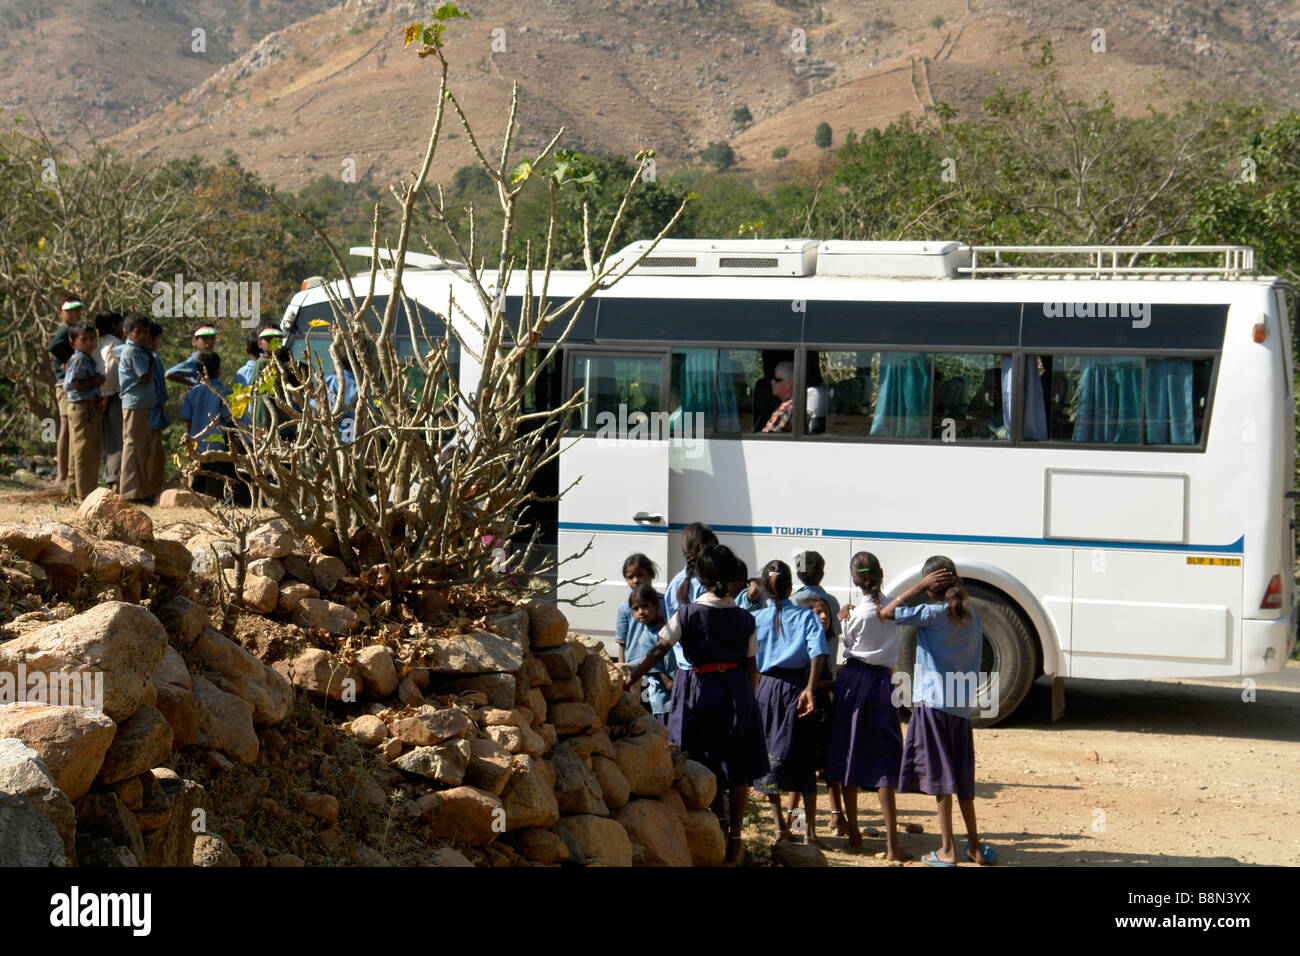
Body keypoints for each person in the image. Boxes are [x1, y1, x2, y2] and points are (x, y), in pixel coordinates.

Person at [622, 544, 768, 865]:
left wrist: (632, 677)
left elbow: (660, 650)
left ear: (699, 577)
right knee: (739, 765)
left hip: (700, 692)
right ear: (733, 579)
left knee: (704, 761)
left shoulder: (686, 613)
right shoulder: (745, 618)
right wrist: (746, 697)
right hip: (737, 692)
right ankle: (735, 839)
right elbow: (751, 665)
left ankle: (714, 826)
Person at [878, 555, 995, 866]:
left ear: (932, 587)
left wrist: (917, 585)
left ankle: (948, 850)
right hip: (961, 707)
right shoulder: (972, 615)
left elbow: (886, 613)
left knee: (942, 781)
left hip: (933, 705)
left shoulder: (933, 614)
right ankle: (975, 848)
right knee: (963, 780)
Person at [829, 552, 907, 858]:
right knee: (884, 758)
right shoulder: (895, 611)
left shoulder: (854, 616)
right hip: (884, 685)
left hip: (853, 681)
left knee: (850, 757)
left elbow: (848, 644)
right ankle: (892, 844)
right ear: (881, 574)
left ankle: (855, 837)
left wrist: (841, 621)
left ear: (854, 580)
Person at [751, 559, 830, 845]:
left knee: (770, 756)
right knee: (803, 760)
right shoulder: (806, 616)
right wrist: (810, 688)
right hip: (797, 689)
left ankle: (780, 828)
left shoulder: (755, 619)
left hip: (767, 689)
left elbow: (749, 660)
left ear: (763, 586)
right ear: (791, 586)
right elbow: (818, 652)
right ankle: (808, 833)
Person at [664, 522, 718, 746]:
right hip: (714, 675)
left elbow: (669, 635)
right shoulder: (713, 584)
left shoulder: (677, 584)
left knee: (685, 743)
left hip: (685, 676)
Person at [180, 352, 235, 500]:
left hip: (197, 445)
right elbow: (226, 416)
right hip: (217, 444)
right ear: (218, 370)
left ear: (198, 372)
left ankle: (196, 503)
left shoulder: (192, 393)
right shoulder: (222, 392)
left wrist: (190, 442)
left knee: (198, 477)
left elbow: (188, 420)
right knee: (215, 477)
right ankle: (213, 503)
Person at [116, 312, 157, 503]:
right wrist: (152, 361)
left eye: (145, 332)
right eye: (138, 332)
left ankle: (140, 490)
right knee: (132, 446)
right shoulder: (132, 352)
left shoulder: (138, 351)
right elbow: (145, 377)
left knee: (141, 447)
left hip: (141, 403)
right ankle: (130, 492)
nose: (142, 336)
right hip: (134, 403)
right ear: (127, 333)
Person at [47, 291, 86, 489]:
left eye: (78, 310)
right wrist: (68, 361)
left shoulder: (74, 331)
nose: (75, 314)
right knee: (65, 426)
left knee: (70, 427)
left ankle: (68, 474)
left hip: (69, 382)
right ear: (59, 313)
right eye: (69, 311)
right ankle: (61, 475)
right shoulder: (64, 331)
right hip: (64, 383)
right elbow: (53, 346)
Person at [63, 323, 104, 500]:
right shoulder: (79, 359)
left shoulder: (87, 358)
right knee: (84, 453)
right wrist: (93, 382)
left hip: (87, 406)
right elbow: (69, 385)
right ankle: (85, 495)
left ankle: (72, 493)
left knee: (78, 451)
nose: (89, 343)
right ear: (73, 343)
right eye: (84, 340)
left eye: (92, 338)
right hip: (81, 407)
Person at [623, 583, 675, 722]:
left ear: (656, 605)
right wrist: (673, 686)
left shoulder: (669, 628)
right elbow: (657, 674)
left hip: (677, 697)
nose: (641, 611)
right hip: (665, 701)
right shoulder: (646, 638)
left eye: (645, 606)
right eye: (636, 609)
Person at [94, 311, 125, 492]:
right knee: (117, 440)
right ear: (115, 325)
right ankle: (115, 483)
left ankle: (111, 480)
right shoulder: (115, 345)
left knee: (109, 441)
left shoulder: (100, 346)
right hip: (113, 398)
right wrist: (107, 396)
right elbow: (111, 374)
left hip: (104, 397)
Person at [790, 550, 842, 647]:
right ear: (822, 574)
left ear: (798, 575)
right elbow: (835, 634)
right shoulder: (833, 601)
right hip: (828, 661)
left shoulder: (793, 601)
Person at [614, 553, 659, 658]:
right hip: (633, 666)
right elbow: (622, 642)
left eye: (640, 575)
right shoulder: (625, 608)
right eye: (630, 577)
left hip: (657, 665)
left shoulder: (664, 602)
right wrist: (622, 668)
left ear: (651, 574)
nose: (636, 580)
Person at [146, 322, 169, 500]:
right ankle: (152, 490)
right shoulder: (153, 359)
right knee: (154, 454)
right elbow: (161, 389)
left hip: (143, 412)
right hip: (153, 412)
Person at [760, 361, 795, 433]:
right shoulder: (795, 404)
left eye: (776, 379)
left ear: (788, 383)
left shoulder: (785, 410)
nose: (772, 382)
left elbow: (765, 438)